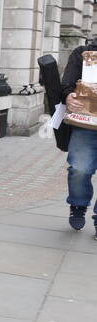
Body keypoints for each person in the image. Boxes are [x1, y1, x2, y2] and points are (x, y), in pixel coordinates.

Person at [61, 36, 97, 236]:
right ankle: (78, 204)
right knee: (79, 170)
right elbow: (66, 84)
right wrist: (68, 96)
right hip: (87, 126)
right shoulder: (83, 54)